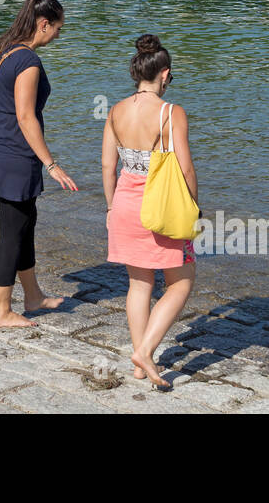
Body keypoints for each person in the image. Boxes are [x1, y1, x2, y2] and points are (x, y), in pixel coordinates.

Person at [102, 34, 197, 386]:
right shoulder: (171, 113)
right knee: (181, 282)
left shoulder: (115, 111)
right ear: (165, 74)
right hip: (162, 209)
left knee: (139, 284)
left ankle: (140, 364)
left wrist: (111, 208)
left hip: (125, 205)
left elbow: (107, 166)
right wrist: (194, 210)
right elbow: (185, 169)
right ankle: (146, 351)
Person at [0, 0, 77, 328]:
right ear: (43, 24)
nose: (58, 35)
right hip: (14, 152)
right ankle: (0, 311)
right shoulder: (29, 62)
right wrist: (51, 163)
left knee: (25, 224)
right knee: (12, 231)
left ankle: (33, 296)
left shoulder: (4, 47)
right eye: (57, 29)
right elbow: (25, 116)